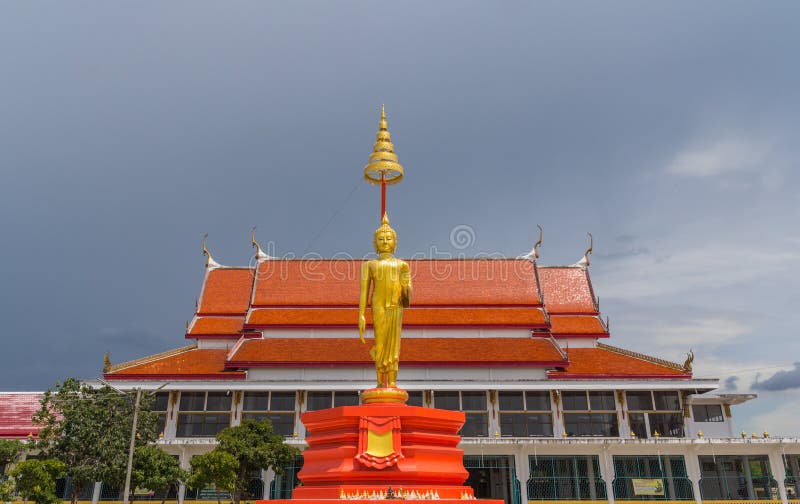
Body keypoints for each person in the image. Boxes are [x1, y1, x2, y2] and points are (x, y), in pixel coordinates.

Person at [358, 213, 411, 388]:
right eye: (381, 239)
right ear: (375, 243)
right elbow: (364, 292)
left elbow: (407, 294)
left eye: (389, 238)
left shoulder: (402, 265)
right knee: (380, 343)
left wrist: (406, 288)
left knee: (394, 344)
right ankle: (381, 382)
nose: (385, 241)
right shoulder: (370, 265)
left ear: (395, 242)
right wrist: (361, 315)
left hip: (395, 306)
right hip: (378, 306)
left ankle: (393, 381)